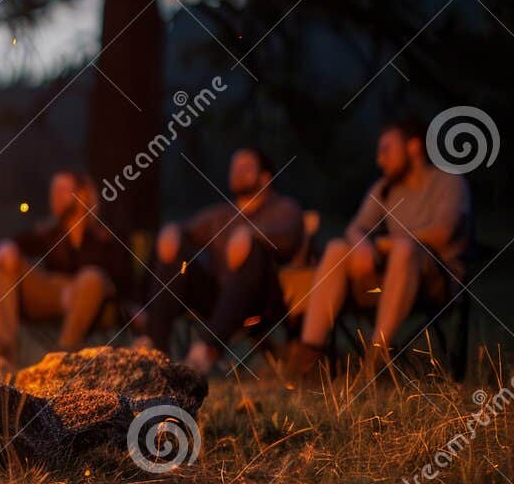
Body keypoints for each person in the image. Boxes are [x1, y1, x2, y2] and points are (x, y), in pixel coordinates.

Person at [284, 118, 471, 375]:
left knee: (404, 249)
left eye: (386, 150)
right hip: (391, 280)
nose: (380, 159)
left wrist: (381, 245)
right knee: (339, 248)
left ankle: (377, 358)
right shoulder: (384, 189)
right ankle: (309, 357)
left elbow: (443, 233)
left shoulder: (448, 180)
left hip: (437, 283)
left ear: (414, 147)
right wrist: (361, 244)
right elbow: (355, 228)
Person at [139, 148, 305, 373]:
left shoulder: (284, 208)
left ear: (265, 177)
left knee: (254, 251)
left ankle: (207, 350)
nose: (237, 172)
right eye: (234, 167)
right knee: (175, 253)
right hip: (218, 301)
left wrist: (251, 234)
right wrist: (173, 232)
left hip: (263, 302)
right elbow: (185, 230)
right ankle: (154, 350)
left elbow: (289, 234)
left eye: (246, 168)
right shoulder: (221, 216)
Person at [0, 170, 130, 367]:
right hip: (52, 295)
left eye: (62, 190)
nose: (55, 196)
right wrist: (8, 246)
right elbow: (22, 242)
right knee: (5, 258)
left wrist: (79, 289)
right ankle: (1, 347)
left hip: (90, 297)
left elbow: (121, 282)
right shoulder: (48, 233)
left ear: (82, 194)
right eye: (53, 191)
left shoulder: (105, 236)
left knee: (92, 277)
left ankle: (63, 357)